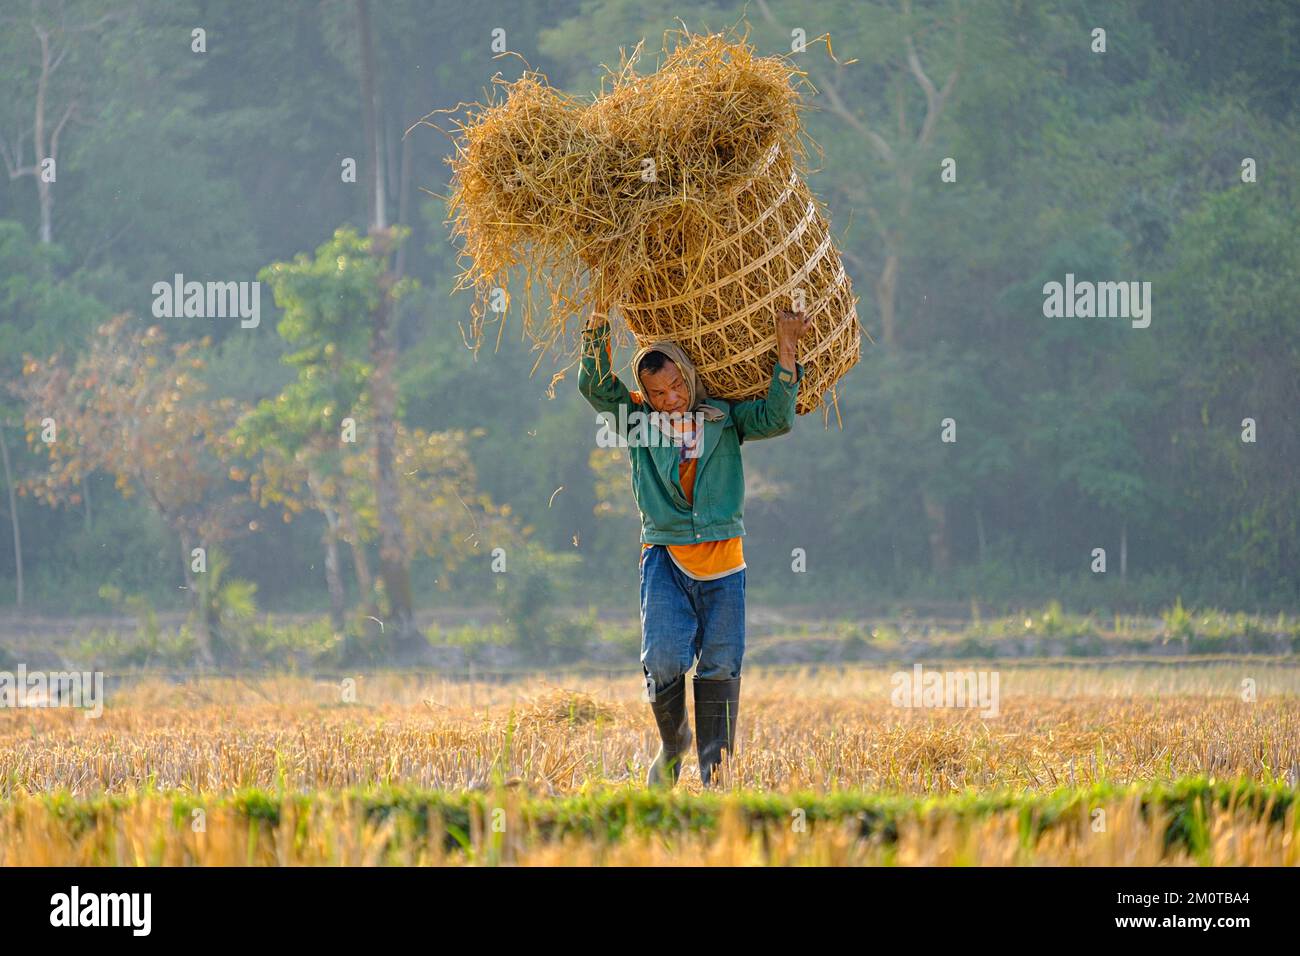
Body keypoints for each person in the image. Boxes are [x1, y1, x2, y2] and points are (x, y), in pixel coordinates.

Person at [578, 296, 811, 787]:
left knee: (721, 664)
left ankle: (715, 778)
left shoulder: (724, 419)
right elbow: (594, 385)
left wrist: (787, 349)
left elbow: (777, 417)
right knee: (662, 660)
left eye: (677, 384)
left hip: (724, 561)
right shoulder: (637, 424)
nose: (671, 398)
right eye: (657, 391)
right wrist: (599, 318)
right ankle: (673, 741)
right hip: (664, 557)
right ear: (645, 394)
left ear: (689, 374)